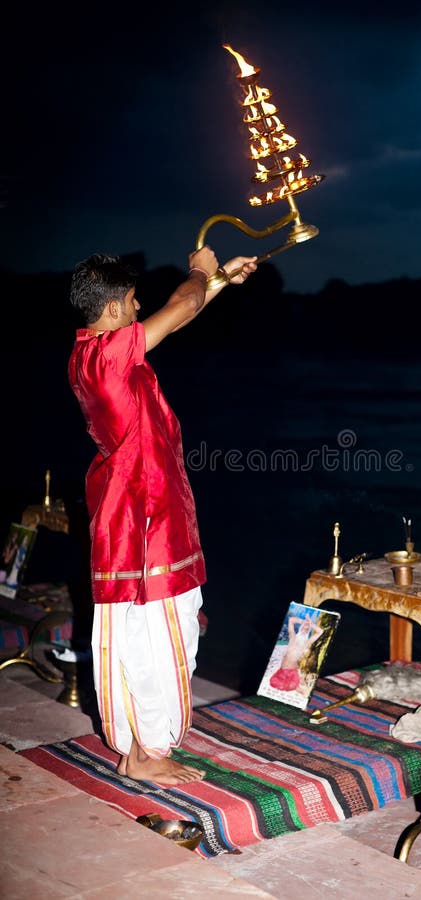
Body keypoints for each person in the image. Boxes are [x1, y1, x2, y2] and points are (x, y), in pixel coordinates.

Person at [68, 246, 257, 785]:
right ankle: (150, 751)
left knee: (135, 631)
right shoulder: (107, 356)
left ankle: (135, 747)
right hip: (146, 513)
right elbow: (182, 308)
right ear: (109, 312)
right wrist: (201, 271)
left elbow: (183, 312)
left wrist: (217, 281)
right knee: (163, 631)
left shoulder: (89, 352)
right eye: (130, 303)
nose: (138, 309)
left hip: (128, 509)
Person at [269, 615, 323, 691]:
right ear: (300, 629)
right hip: (282, 670)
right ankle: (299, 685)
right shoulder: (293, 637)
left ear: (308, 633)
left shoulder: (307, 643)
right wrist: (303, 622)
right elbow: (291, 620)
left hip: (292, 672)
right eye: (303, 628)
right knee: (273, 683)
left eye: (307, 630)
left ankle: (300, 685)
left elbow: (320, 631)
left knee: (291, 686)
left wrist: (311, 624)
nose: (305, 630)